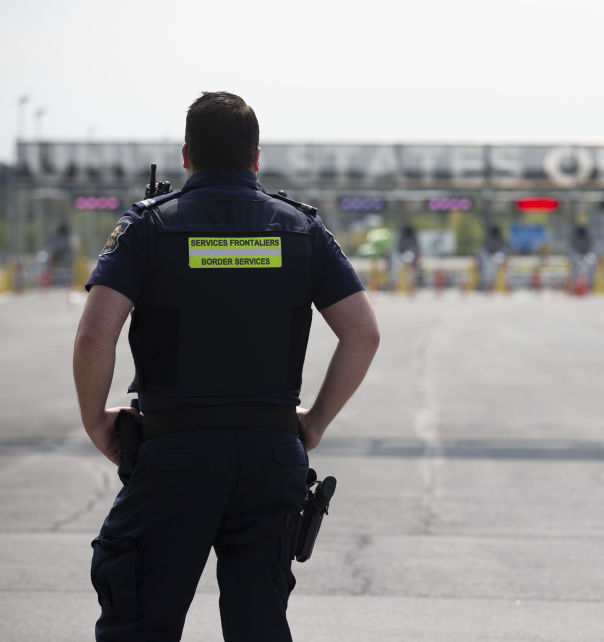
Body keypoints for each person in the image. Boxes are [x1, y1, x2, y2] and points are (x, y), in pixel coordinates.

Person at [72, 91, 380, 641]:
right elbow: (362, 332)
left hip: (174, 455)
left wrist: (96, 419)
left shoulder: (148, 226)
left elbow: (97, 333)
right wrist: (314, 423)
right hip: (271, 454)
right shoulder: (301, 230)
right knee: (259, 623)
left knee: (138, 620)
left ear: (186, 156)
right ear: (255, 157)